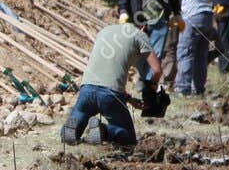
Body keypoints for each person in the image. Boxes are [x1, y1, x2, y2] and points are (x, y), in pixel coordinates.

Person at [62, 19, 162, 147]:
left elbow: (107, 67)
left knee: (79, 115)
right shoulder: (139, 34)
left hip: (87, 88)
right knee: (128, 139)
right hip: (110, 94)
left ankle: (69, 132)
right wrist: (151, 90)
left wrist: (129, 99)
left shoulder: (104, 31)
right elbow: (157, 70)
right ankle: (104, 131)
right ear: (143, 27)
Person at [171, 0, 221, 96]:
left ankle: (183, 88)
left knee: (185, 52)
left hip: (191, 16)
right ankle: (198, 88)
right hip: (207, 15)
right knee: (201, 53)